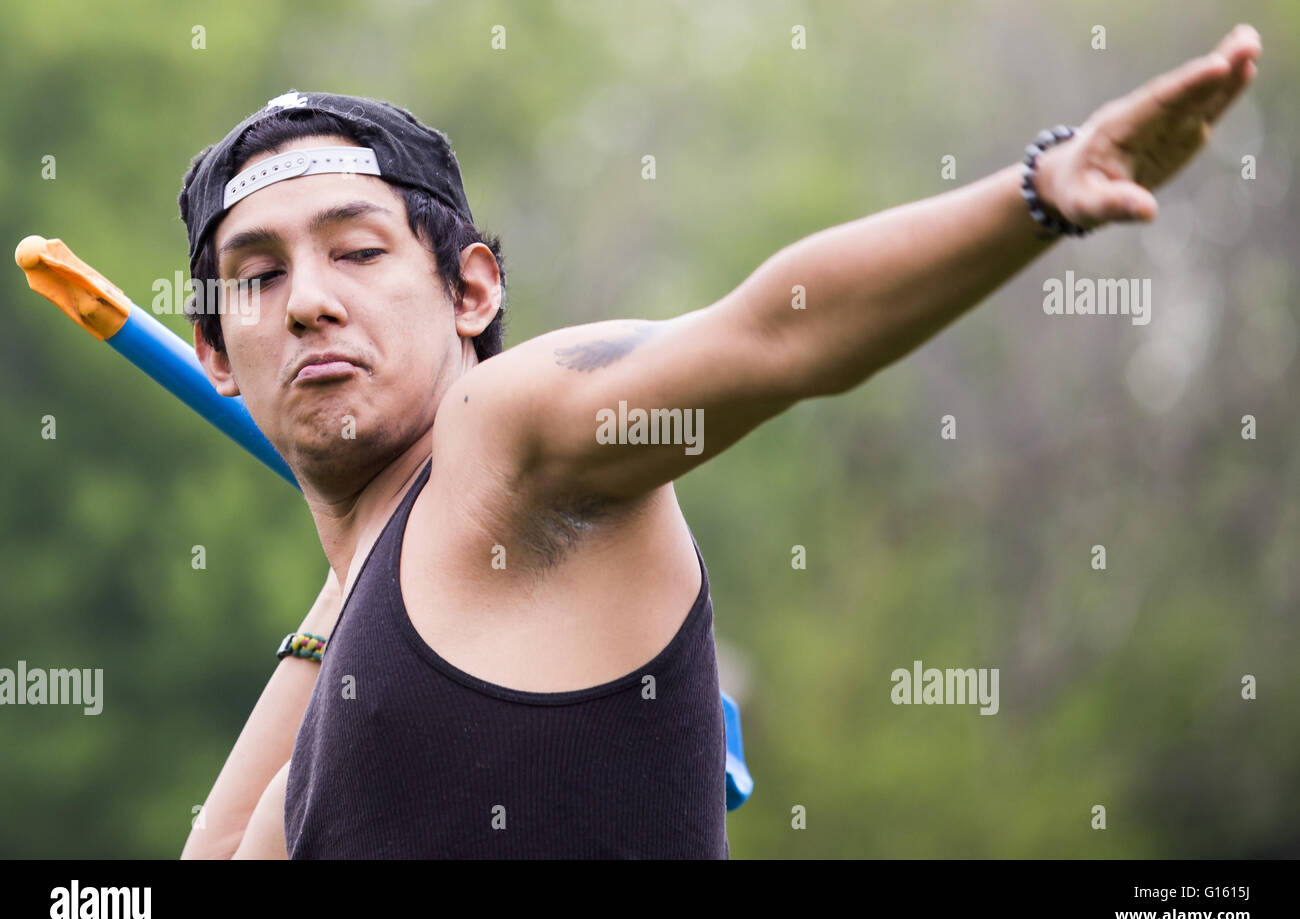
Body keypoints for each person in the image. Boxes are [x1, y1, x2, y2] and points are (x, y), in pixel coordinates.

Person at [177, 25, 1261, 859]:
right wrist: (345, 577)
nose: (308, 301)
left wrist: (1037, 194)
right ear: (219, 354)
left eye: (356, 251)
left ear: (471, 290)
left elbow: (775, 337)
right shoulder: (351, 661)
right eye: (259, 276)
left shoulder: (504, 438)